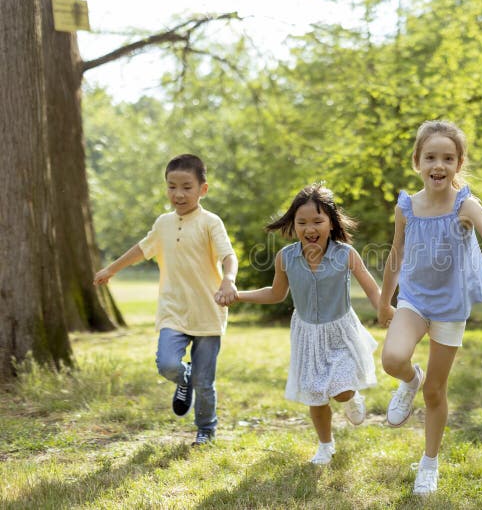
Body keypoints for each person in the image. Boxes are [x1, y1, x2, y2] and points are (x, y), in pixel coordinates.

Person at [378, 120, 482, 495]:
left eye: (448, 158)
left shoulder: (466, 204)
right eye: (431, 157)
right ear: (417, 161)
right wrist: (386, 301)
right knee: (392, 359)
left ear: (459, 162)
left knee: (436, 391)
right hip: (414, 299)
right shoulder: (407, 206)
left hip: (451, 306)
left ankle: (429, 463)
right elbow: (396, 253)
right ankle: (408, 380)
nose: (439, 165)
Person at [229, 184, 381, 465]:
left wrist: (388, 311)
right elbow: (276, 294)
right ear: (293, 225)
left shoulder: (345, 254)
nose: (310, 228)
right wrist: (238, 295)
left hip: (340, 331)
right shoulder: (286, 258)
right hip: (307, 334)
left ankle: (351, 398)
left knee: (341, 387)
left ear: (331, 224)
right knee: (315, 394)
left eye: (317, 221)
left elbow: (373, 290)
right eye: (302, 222)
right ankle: (325, 445)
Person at [94, 154, 238, 446]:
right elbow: (141, 249)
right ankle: (183, 378)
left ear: (203, 189)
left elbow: (228, 256)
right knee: (168, 364)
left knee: (205, 382)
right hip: (173, 310)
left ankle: (206, 430)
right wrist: (111, 269)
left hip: (208, 312)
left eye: (186, 187)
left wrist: (228, 280)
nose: (179, 194)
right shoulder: (163, 223)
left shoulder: (211, 222)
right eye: (172, 187)